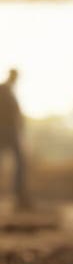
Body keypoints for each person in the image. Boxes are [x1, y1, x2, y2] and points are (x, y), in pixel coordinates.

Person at [0, 68, 30, 209]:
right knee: (19, 162)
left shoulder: (9, 91)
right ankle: (19, 194)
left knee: (20, 163)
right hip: (5, 133)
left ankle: (19, 194)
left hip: (11, 133)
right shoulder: (4, 90)